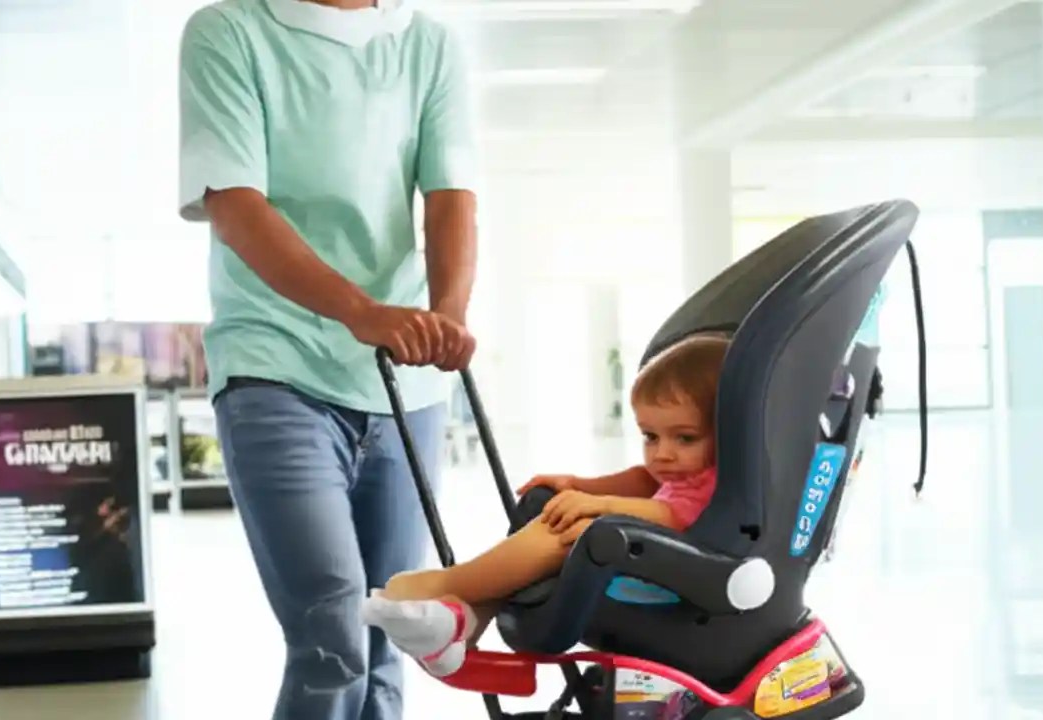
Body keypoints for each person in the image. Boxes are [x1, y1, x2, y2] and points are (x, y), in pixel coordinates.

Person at [177, 1, 479, 718]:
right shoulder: (229, 31)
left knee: (390, 639)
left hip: (402, 382)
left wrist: (450, 313)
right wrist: (358, 311)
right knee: (332, 631)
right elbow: (235, 205)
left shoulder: (427, 44)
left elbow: (449, 197)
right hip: (274, 362)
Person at [361, 335, 729, 676]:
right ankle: (463, 619)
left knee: (569, 528)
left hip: (674, 585)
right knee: (547, 505)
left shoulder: (718, 480)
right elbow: (644, 480)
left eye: (684, 437)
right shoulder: (683, 471)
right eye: (650, 436)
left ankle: (448, 585)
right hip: (643, 560)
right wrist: (578, 486)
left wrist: (598, 506)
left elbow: (673, 516)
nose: (662, 453)